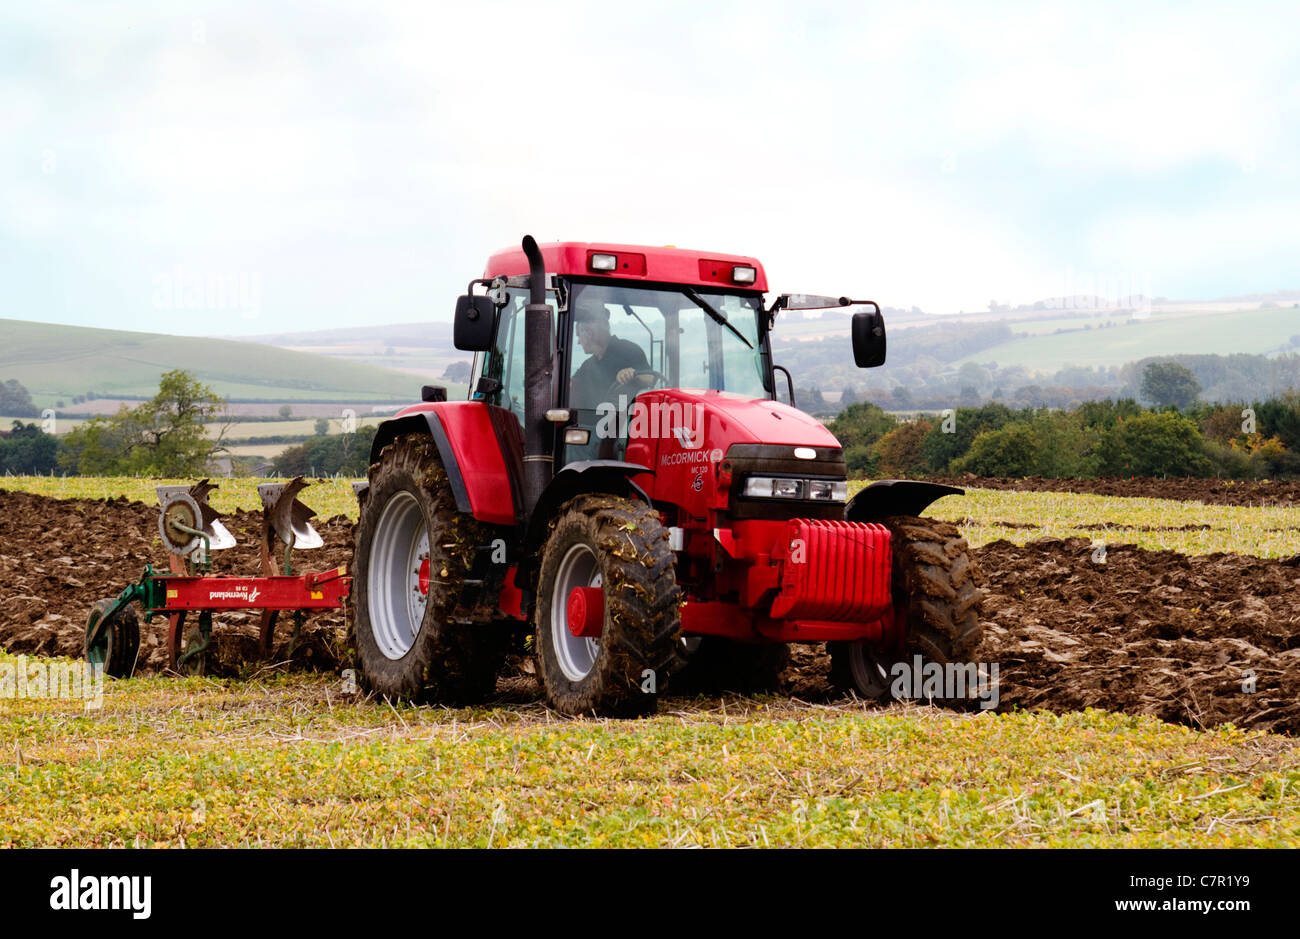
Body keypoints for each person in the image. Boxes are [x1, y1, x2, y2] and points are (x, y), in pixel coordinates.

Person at [569, 301, 653, 409]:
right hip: (592, 422)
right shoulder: (588, 365)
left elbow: (651, 378)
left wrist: (633, 374)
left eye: (578, 336)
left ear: (588, 332)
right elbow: (573, 385)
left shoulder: (628, 350)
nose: (578, 342)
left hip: (625, 422)